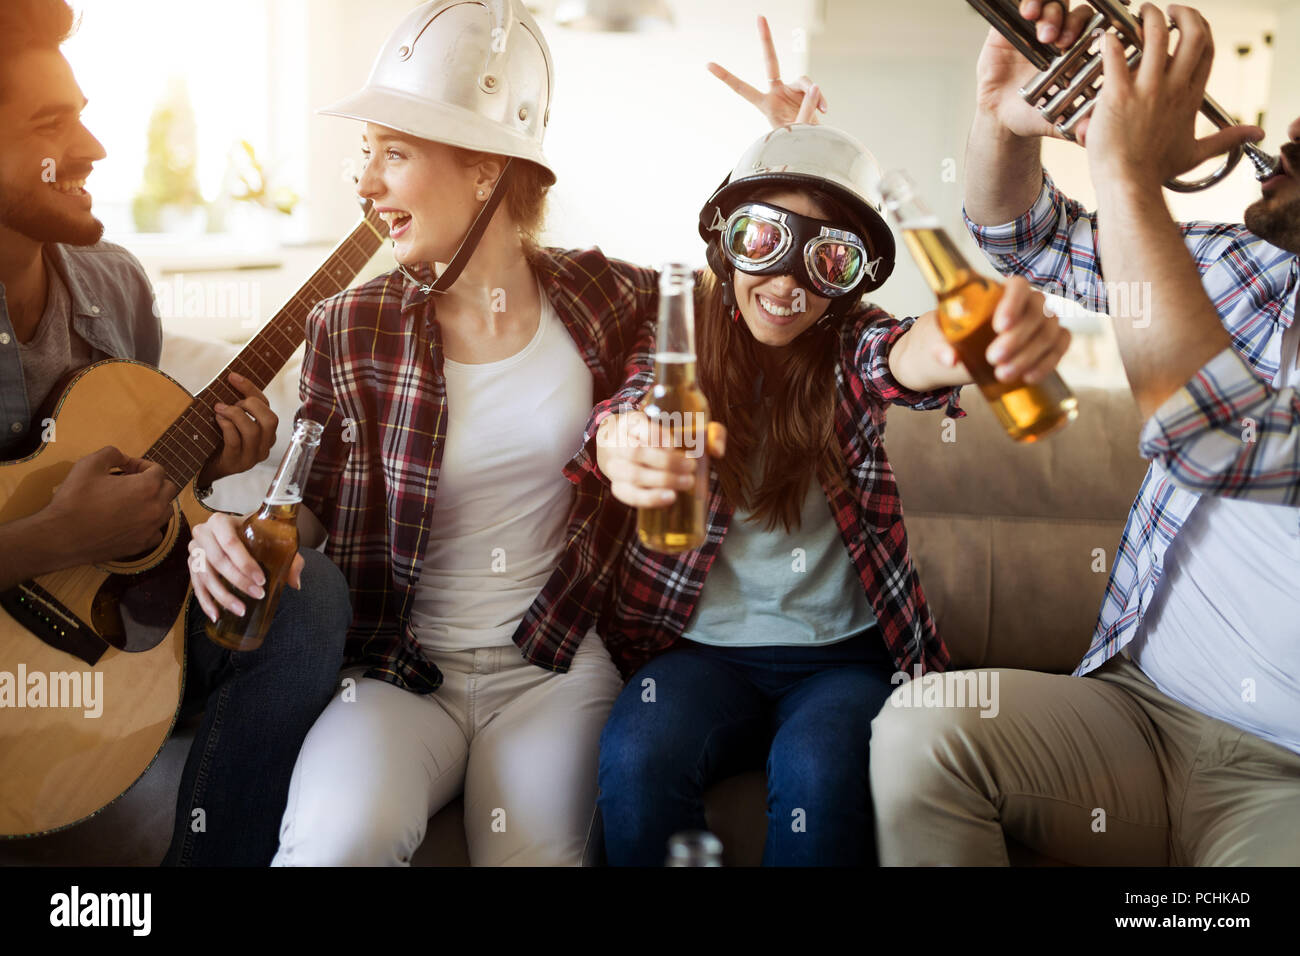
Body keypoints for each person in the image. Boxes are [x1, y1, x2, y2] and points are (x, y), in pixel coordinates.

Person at [188, 1, 808, 867]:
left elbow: (749, 308)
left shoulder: (610, 301)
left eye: (393, 155)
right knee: (334, 845)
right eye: (364, 155)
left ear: (485, 169)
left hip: (550, 668)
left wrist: (793, 158)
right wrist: (224, 534)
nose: (364, 184)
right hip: (398, 673)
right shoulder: (348, 324)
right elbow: (312, 515)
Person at [869, 1, 1300, 867]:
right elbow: (1028, 238)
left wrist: (1128, 169)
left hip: (1283, 777)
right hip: (1139, 708)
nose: (1293, 131)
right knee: (925, 731)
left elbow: (1207, 436)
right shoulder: (1263, 270)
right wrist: (1003, 120)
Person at [588, 121, 1071, 866]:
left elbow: (909, 354)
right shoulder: (678, 342)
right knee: (636, 758)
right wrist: (624, 447)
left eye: (829, 259)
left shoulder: (850, 346)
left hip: (842, 662)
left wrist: (972, 335)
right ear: (723, 240)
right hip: (699, 655)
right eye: (761, 243)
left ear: (855, 278)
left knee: (821, 771)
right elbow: (631, 409)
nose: (787, 284)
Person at [0, 0, 350, 866]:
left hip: (105, 625)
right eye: (52, 123)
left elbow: (142, 458)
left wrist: (209, 463)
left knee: (305, 595)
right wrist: (53, 536)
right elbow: (73, 517)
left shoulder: (115, 285)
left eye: (81, 114)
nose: (94, 149)